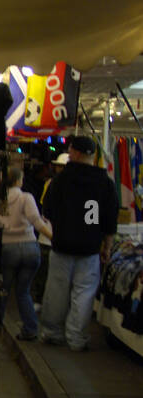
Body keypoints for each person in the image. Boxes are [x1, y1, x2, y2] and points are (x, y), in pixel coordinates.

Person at [39, 136, 118, 350]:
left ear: (75, 153)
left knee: (56, 290)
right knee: (84, 293)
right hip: (90, 248)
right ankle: (76, 338)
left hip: (62, 244)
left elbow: (48, 211)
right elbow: (111, 220)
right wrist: (107, 247)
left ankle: (52, 332)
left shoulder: (61, 180)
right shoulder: (106, 183)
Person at [0, 164, 54, 341]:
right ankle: (31, 328)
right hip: (30, 247)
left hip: (8, 248)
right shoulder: (26, 198)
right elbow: (37, 222)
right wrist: (54, 238)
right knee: (23, 292)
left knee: (3, 291)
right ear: (17, 181)